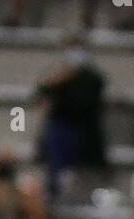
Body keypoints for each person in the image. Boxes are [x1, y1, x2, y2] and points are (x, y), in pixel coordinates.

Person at [35, 37, 107, 197]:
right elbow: (39, 94)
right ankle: (56, 182)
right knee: (56, 136)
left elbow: (83, 105)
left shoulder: (93, 79)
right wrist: (56, 82)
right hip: (60, 131)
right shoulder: (57, 77)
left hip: (83, 132)